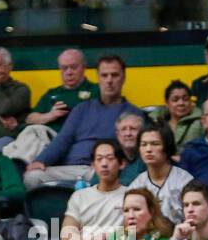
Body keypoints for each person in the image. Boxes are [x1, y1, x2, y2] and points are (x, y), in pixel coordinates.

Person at [24, 55, 143, 189]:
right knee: (31, 177)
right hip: (70, 169)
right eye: (104, 75)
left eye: (114, 75)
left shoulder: (134, 115)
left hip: (104, 170)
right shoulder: (82, 109)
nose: (109, 80)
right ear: (98, 78)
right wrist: (41, 160)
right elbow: (63, 139)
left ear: (123, 78)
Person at [3, 48, 97, 164]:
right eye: (64, 68)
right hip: (45, 138)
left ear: (83, 67)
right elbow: (30, 118)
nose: (68, 72)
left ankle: (17, 166)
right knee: (24, 136)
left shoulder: (95, 90)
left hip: (69, 139)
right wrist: (50, 115)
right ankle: (13, 165)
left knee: (34, 131)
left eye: (73, 67)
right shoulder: (52, 93)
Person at [59, 139, 128, 240]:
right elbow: (67, 231)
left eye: (110, 158)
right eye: (99, 159)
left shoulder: (131, 195)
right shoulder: (80, 196)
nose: (104, 164)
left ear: (122, 163)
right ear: (92, 165)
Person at [133, 124, 193, 225]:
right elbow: (128, 223)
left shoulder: (184, 181)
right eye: (143, 144)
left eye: (155, 144)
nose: (148, 149)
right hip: (145, 238)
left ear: (167, 146)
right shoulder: (136, 184)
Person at [155, 80, 204, 153]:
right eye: (175, 100)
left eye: (185, 99)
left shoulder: (201, 122)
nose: (181, 103)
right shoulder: (157, 124)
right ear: (167, 103)